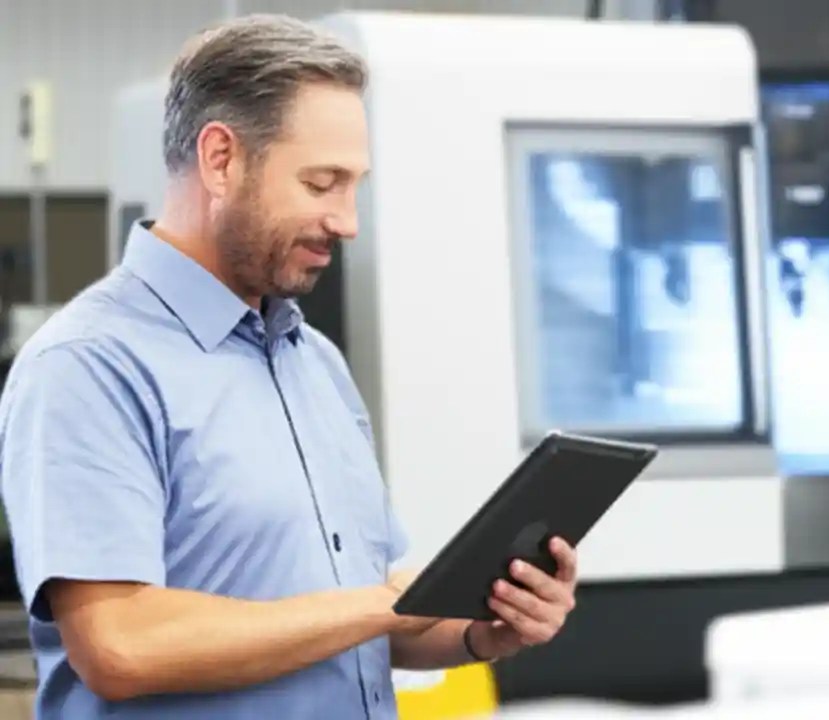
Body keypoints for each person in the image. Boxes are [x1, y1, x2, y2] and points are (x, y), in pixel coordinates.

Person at [0, 14, 579, 719]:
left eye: (354, 185)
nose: (348, 220)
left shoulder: (315, 362)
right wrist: (381, 606)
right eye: (322, 183)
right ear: (221, 160)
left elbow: (373, 619)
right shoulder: (89, 366)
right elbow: (121, 644)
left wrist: (483, 629)